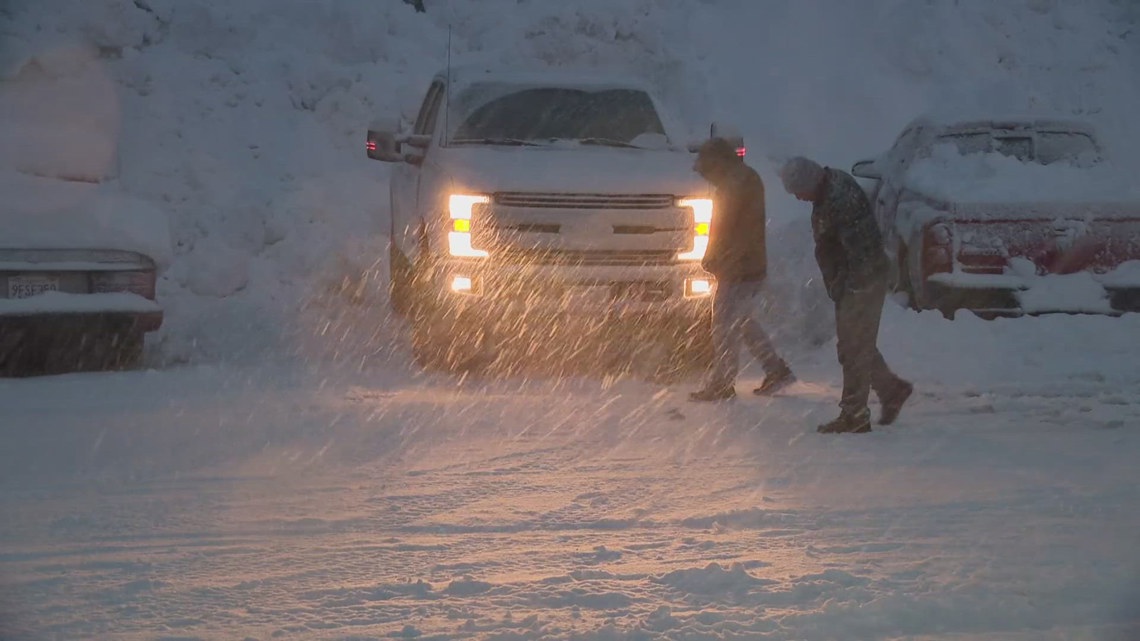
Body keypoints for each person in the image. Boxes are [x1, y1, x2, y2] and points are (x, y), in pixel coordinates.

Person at [778, 156, 913, 433]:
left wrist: (850, 287)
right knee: (854, 344)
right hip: (854, 279)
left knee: (854, 348)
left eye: (798, 192)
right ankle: (890, 390)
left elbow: (859, 251)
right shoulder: (827, 190)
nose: (799, 199)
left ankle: (855, 415)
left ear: (811, 182)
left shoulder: (840, 198)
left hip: (863, 279)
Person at [689, 138, 796, 402]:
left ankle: (722, 384)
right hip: (746, 264)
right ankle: (776, 370)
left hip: (738, 268)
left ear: (717, 162)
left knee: (724, 326)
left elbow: (728, 231)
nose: (705, 176)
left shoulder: (735, 185)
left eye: (706, 169)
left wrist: (718, 260)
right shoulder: (740, 179)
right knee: (743, 322)